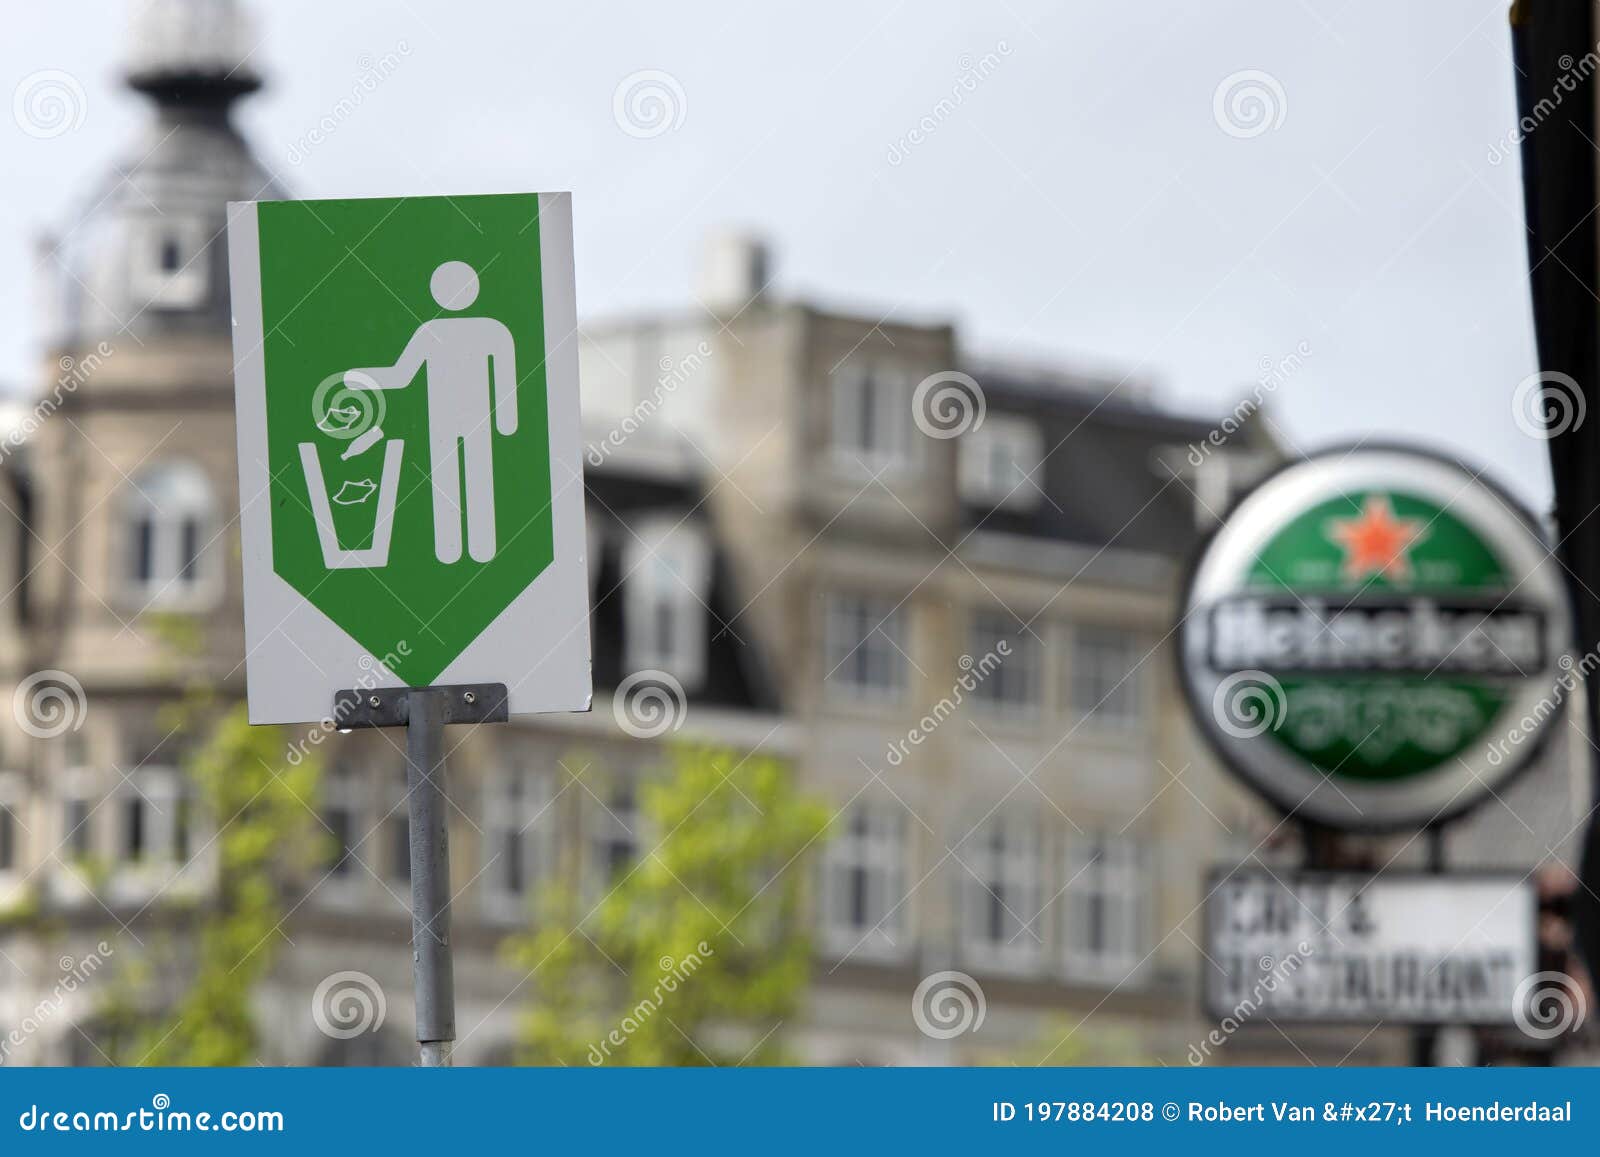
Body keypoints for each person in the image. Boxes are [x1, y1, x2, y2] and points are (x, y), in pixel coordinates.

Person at [345, 260, 518, 563]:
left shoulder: (490, 331)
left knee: (467, 480)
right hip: (445, 422)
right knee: (452, 482)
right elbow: (401, 376)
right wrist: (360, 378)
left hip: (468, 420)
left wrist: (507, 420)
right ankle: (454, 550)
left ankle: (475, 548)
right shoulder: (440, 331)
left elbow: (506, 377)